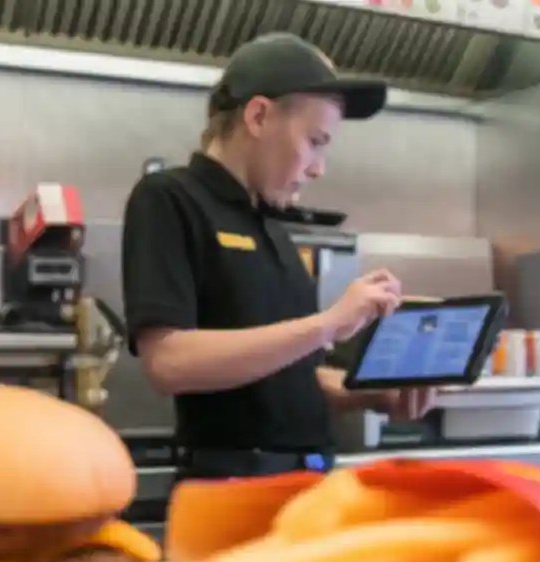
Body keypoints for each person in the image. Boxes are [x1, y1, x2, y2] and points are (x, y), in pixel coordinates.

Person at [120, 33, 435, 480]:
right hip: (230, 489)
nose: (318, 167)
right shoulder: (169, 198)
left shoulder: (271, 227)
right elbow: (169, 362)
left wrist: (371, 394)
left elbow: (295, 377)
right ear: (259, 115)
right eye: (315, 140)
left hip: (307, 484)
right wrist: (329, 322)